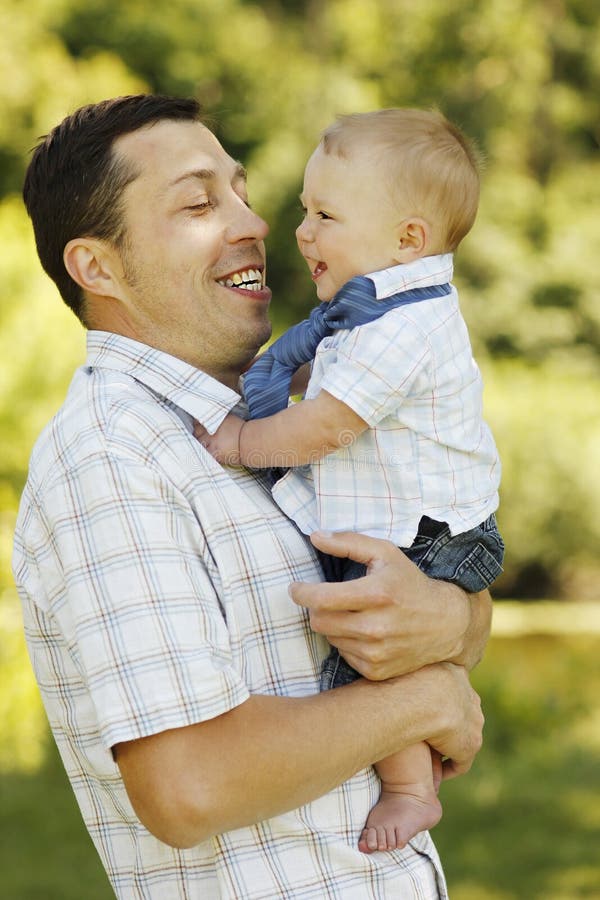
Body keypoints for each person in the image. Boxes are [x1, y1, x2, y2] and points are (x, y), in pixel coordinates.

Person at [13, 95, 488, 900]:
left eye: (238, 190)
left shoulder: (264, 424)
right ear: (96, 267)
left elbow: (410, 601)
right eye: (200, 203)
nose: (255, 221)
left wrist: (455, 620)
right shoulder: (113, 455)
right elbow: (188, 786)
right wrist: (429, 695)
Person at [196, 108, 504, 855]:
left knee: (375, 663)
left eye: (326, 214)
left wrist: (241, 439)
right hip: (420, 529)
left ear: (408, 239)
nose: (302, 231)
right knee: (380, 654)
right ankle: (415, 771)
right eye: (306, 210)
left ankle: (408, 789)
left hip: (428, 537)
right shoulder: (384, 312)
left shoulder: (403, 327)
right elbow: (327, 373)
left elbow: (324, 426)